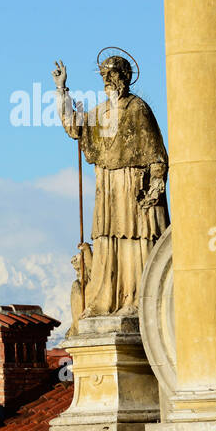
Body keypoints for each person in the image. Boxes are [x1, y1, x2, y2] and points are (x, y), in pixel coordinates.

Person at [53, 55, 169, 318]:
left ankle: (136, 297)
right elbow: (74, 128)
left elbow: (156, 154)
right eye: (104, 74)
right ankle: (107, 299)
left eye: (113, 73)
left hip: (132, 183)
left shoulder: (138, 109)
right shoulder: (99, 112)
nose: (108, 79)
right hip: (107, 184)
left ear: (125, 77)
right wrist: (62, 90)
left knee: (134, 236)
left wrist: (155, 185)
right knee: (108, 238)